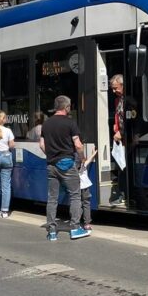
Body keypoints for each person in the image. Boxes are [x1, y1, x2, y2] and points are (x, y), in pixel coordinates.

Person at [40, 95, 88, 241]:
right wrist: (82, 158)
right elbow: (78, 145)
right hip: (67, 164)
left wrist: (51, 155)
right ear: (66, 107)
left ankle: (52, 232)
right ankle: (75, 228)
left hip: (51, 165)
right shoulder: (70, 123)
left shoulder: (46, 124)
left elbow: (42, 145)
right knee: (75, 195)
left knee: (52, 198)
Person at [109, 75, 126, 206]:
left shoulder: (129, 99)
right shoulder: (117, 100)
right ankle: (122, 193)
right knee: (121, 166)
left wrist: (122, 131)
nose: (114, 91)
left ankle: (124, 194)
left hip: (126, 137)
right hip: (120, 138)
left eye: (115, 88)